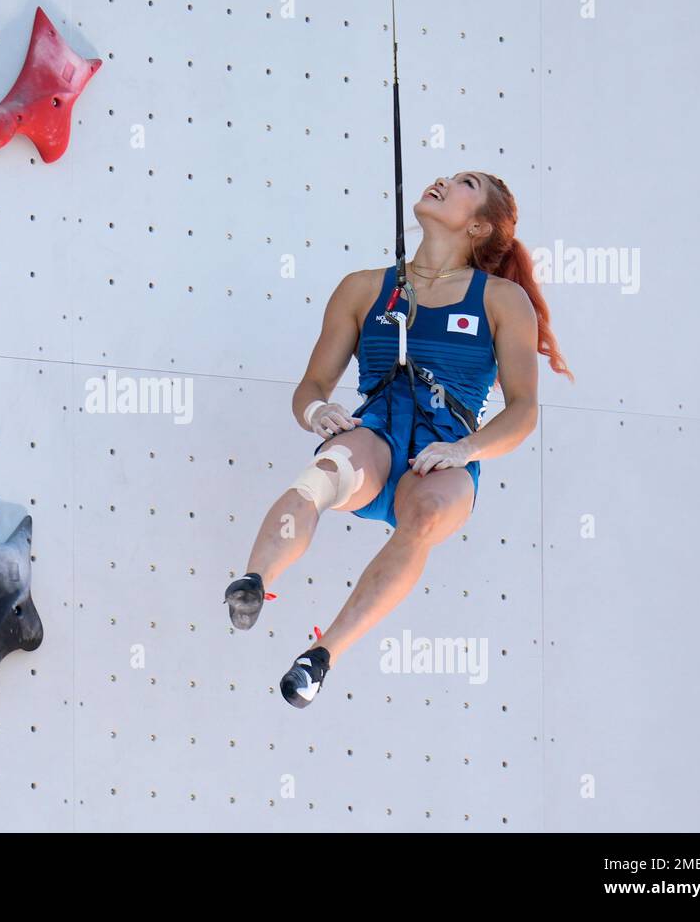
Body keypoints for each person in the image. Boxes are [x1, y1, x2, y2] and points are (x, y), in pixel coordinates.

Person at [225, 171, 573, 708]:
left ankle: (321, 657)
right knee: (328, 471)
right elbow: (310, 387)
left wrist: (466, 450)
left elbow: (524, 410)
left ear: (479, 225)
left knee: (427, 518)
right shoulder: (364, 287)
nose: (442, 181)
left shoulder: (503, 301)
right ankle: (254, 579)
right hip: (378, 434)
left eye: (465, 184)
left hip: (443, 449)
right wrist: (318, 410)